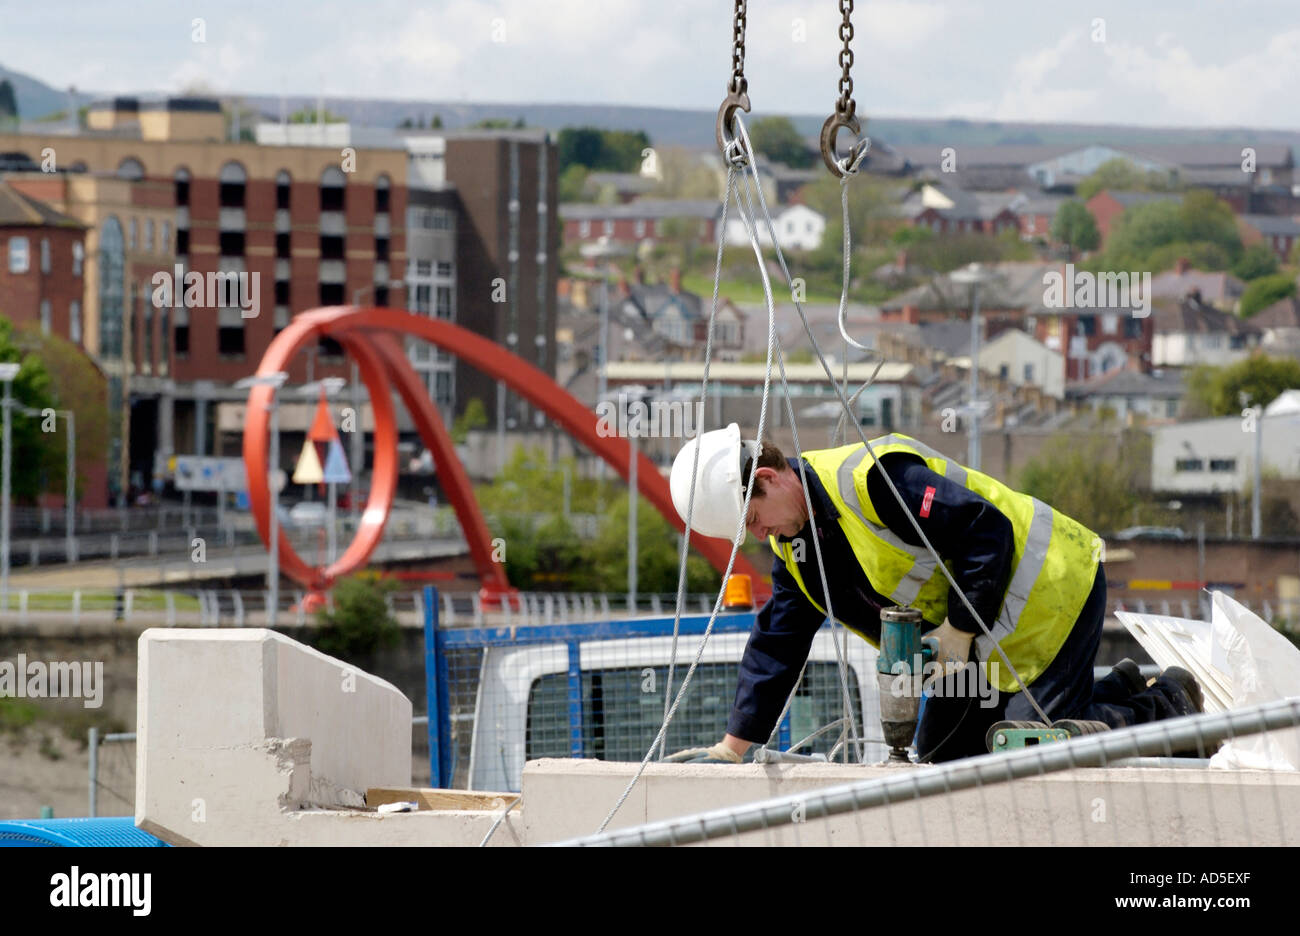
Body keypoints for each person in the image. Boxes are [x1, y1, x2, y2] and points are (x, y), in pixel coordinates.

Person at [667, 424, 1203, 764]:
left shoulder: (870, 482)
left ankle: (1162, 706)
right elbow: (777, 645)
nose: (761, 536)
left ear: (769, 477)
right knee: (941, 760)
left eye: (755, 519)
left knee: (1034, 753)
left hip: (1052, 595)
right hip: (980, 650)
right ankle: (1120, 690)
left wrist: (959, 630)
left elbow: (984, 529)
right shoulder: (797, 552)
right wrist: (733, 748)